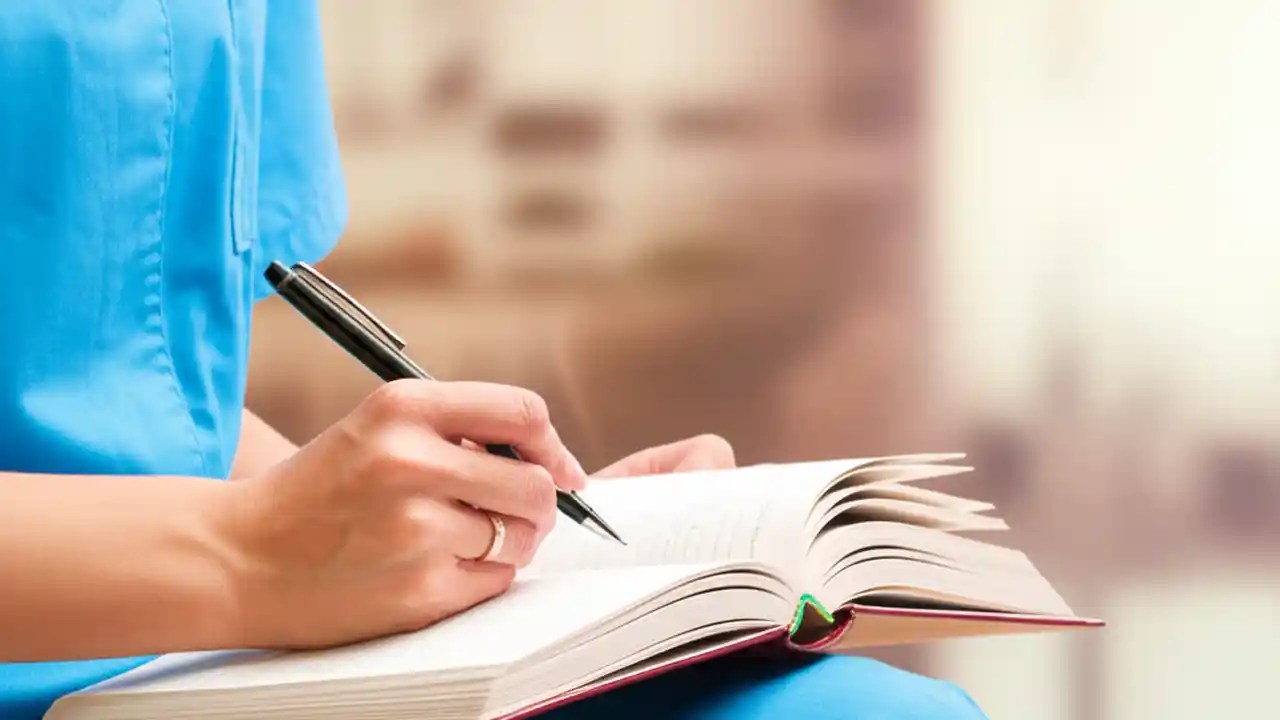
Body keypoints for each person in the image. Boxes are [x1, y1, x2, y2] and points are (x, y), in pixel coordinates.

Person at [0, 4, 987, 719]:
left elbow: (148, 404)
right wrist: (250, 555)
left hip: (190, 649)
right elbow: (228, 528)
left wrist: (482, 532)